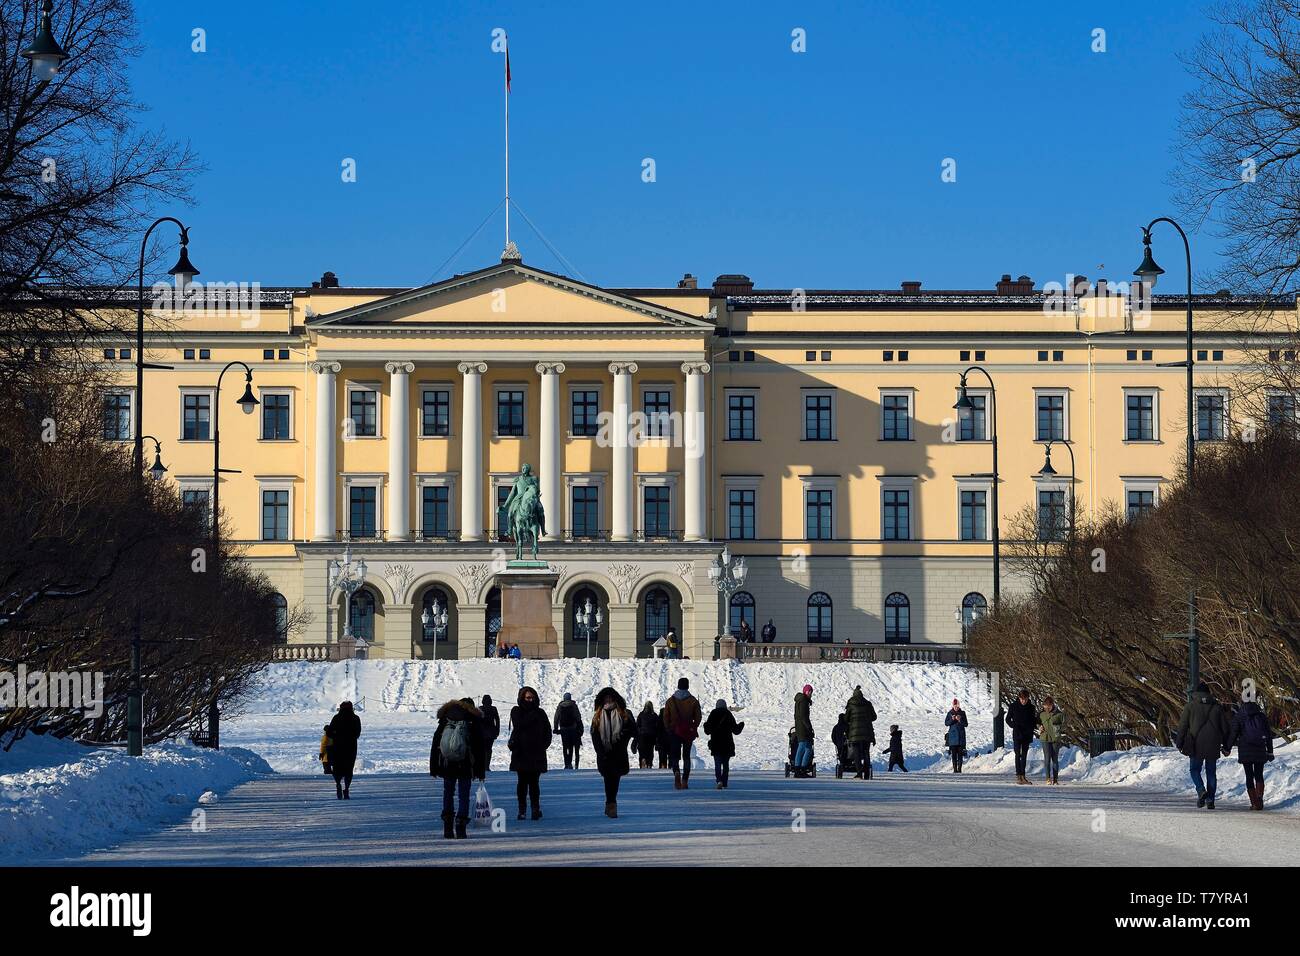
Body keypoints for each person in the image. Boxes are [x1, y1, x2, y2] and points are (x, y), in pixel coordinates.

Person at [429, 697, 487, 839]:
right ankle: (461, 827)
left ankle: (447, 827)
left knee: (448, 793)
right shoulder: (472, 719)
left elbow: (436, 741)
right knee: (463, 795)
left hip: (447, 763)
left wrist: (434, 767)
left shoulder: (446, 718)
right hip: (465, 764)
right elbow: (480, 748)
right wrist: (480, 771)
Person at [1175, 681, 1231, 809]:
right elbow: (1225, 728)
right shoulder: (1217, 707)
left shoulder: (1190, 706)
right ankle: (1210, 800)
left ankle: (1201, 790)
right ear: (1209, 693)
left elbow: (1182, 726)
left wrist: (1179, 743)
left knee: (1194, 769)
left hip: (1196, 743)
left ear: (1196, 693)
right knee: (1211, 772)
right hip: (1213, 743)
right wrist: (1226, 745)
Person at [508, 685, 552, 820]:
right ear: (522, 698)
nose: (530, 700)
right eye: (528, 698)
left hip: (536, 753)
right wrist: (532, 713)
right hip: (521, 752)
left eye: (532, 698)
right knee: (522, 782)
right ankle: (522, 809)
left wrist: (543, 745)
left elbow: (547, 731)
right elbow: (519, 724)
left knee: (534, 783)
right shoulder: (516, 711)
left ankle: (535, 808)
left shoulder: (541, 713)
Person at [590, 687, 635, 817]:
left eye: (610, 698)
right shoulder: (598, 715)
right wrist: (600, 751)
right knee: (608, 779)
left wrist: (623, 738)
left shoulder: (623, 713)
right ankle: (611, 804)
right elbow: (594, 734)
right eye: (606, 698)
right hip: (604, 753)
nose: (608, 701)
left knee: (614, 779)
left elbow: (633, 730)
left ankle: (611, 804)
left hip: (618, 752)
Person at [1225, 696, 1275, 810]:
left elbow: (1233, 733)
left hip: (1245, 748)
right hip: (1260, 748)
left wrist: (1227, 748)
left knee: (1249, 775)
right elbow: (1268, 734)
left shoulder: (1239, 716)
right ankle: (1259, 798)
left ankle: (1254, 802)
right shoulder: (1261, 716)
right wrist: (1270, 751)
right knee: (1259, 774)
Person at [664, 677, 702, 789]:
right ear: (688, 686)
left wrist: (668, 728)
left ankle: (676, 771)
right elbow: (698, 717)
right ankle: (685, 779)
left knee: (675, 755)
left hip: (674, 731)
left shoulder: (670, 701)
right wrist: (693, 726)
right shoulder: (693, 700)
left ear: (678, 686)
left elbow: (666, 716)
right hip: (688, 732)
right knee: (686, 756)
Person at [703, 698, 745, 789]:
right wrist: (741, 725)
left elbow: (707, 731)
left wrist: (705, 725)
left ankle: (719, 781)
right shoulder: (728, 714)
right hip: (727, 744)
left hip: (716, 744)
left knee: (717, 764)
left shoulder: (713, 714)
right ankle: (725, 782)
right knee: (725, 764)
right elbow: (736, 730)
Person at [327, 701, 361, 799]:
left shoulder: (336, 718)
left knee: (337, 768)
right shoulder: (356, 718)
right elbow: (357, 734)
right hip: (351, 747)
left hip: (337, 747)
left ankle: (338, 783)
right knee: (349, 769)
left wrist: (329, 730)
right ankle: (346, 789)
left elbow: (330, 733)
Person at [1005, 689, 1040, 785]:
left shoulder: (1031, 707)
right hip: (1017, 733)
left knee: (1024, 755)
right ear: (1019, 698)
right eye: (1022, 699)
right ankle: (1018, 775)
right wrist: (1014, 725)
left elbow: (1033, 720)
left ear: (1028, 699)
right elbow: (1007, 719)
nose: (1023, 701)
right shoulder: (1013, 706)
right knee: (1017, 754)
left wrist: (1035, 727)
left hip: (1027, 734)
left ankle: (1023, 775)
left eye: (1025, 699)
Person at [844, 685, 877, 779]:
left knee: (857, 754)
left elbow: (846, 719)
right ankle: (866, 773)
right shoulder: (868, 704)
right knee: (866, 753)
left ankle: (859, 773)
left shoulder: (851, 704)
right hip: (867, 733)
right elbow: (874, 717)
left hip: (854, 735)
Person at [554, 692, 584, 769]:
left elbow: (556, 717)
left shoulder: (560, 706)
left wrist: (556, 728)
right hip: (572, 728)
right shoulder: (573, 705)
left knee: (565, 746)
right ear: (570, 698)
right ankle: (570, 763)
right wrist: (579, 726)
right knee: (570, 746)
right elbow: (578, 717)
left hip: (563, 729)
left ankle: (566, 763)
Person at [1038, 696, 1064, 785]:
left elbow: (1065, 725)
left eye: (1049, 706)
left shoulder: (1059, 714)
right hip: (1044, 738)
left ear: (1053, 705)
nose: (1047, 708)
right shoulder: (1041, 714)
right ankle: (1048, 778)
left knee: (1055, 759)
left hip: (1055, 738)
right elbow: (1037, 722)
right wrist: (1039, 727)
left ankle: (1055, 779)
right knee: (1047, 758)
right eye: (1045, 706)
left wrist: (1059, 728)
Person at [792, 684, 814, 775]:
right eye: (809, 692)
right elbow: (804, 717)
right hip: (803, 728)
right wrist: (809, 728)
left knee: (806, 747)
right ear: (805, 691)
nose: (810, 693)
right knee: (804, 747)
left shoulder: (800, 701)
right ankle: (800, 769)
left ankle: (800, 769)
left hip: (800, 727)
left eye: (811, 692)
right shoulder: (803, 701)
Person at [945, 698, 968, 773]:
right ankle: (955, 769)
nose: (956, 707)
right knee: (954, 754)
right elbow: (946, 723)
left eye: (957, 705)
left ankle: (959, 769)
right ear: (953, 706)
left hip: (961, 737)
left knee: (960, 754)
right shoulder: (950, 713)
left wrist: (960, 720)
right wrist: (952, 719)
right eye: (955, 705)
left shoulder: (962, 713)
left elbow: (966, 724)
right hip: (953, 737)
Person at [635, 701, 661, 769]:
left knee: (642, 750)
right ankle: (649, 763)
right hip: (651, 736)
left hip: (642, 736)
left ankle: (642, 760)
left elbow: (637, 725)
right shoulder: (654, 715)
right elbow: (658, 726)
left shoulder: (641, 714)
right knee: (650, 751)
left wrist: (639, 732)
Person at [480, 694, 501, 769]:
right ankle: (486, 766)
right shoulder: (493, 709)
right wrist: (497, 729)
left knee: (484, 749)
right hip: (491, 732)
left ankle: (484, 766)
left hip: (483, 732)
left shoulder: (481, 708)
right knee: (488, 749)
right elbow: (497, 720)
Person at [656, 704, 672, 769]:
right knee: (670, 754)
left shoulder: (659, 719)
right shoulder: (671, 718)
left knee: (662, 755)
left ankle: (662, 765)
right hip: (670, 739)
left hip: (661, 740)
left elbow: (657, 730)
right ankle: (671, 765)